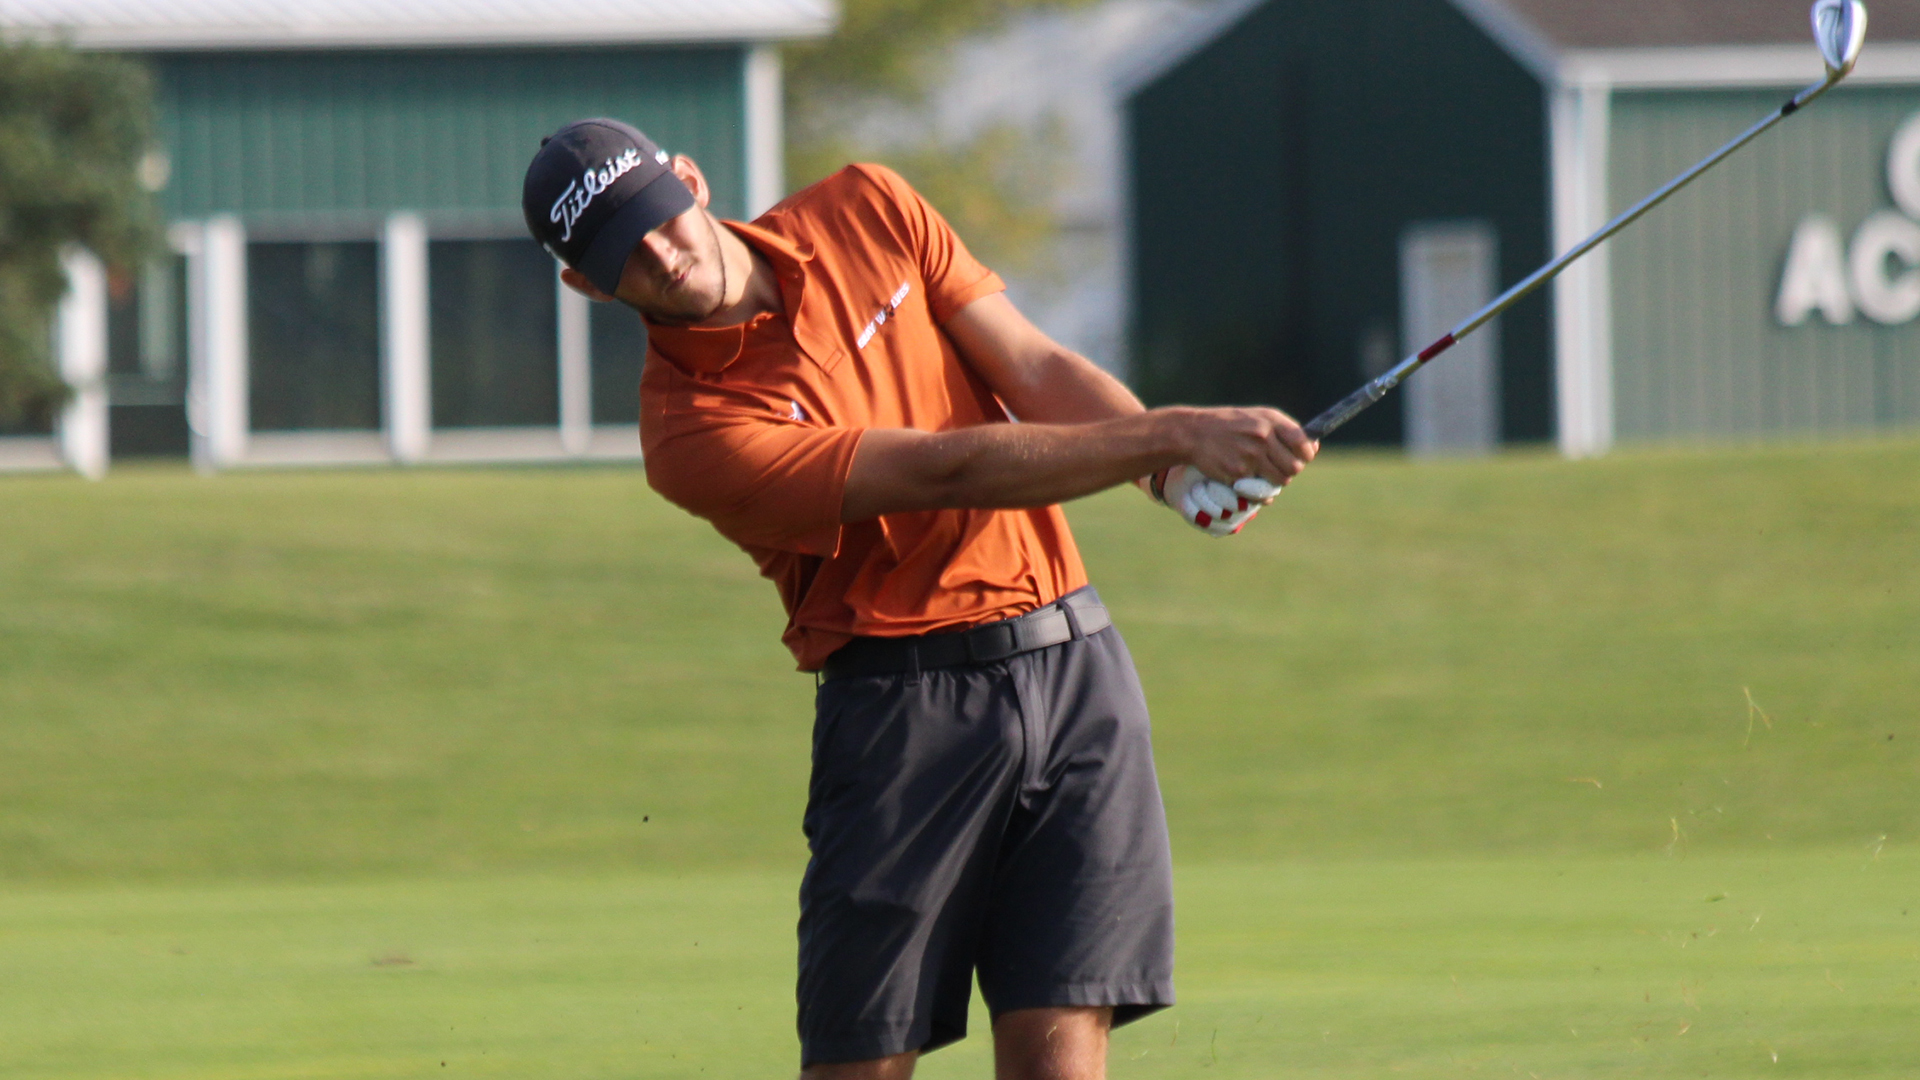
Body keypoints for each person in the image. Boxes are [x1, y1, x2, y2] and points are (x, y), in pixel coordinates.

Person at [522, 118, 1316, 1080]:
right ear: (584, 284)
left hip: (1074, 670)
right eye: (620, 253)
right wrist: (1173, 435)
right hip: (903, 718)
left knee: (1061, 1058)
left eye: (658, 216)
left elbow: (1030, 368)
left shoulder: (867, 206)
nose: (661, 252)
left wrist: (1165, 477)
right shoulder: (689, 431)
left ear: (688, 178)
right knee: (863, 1065)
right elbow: (946, 470)